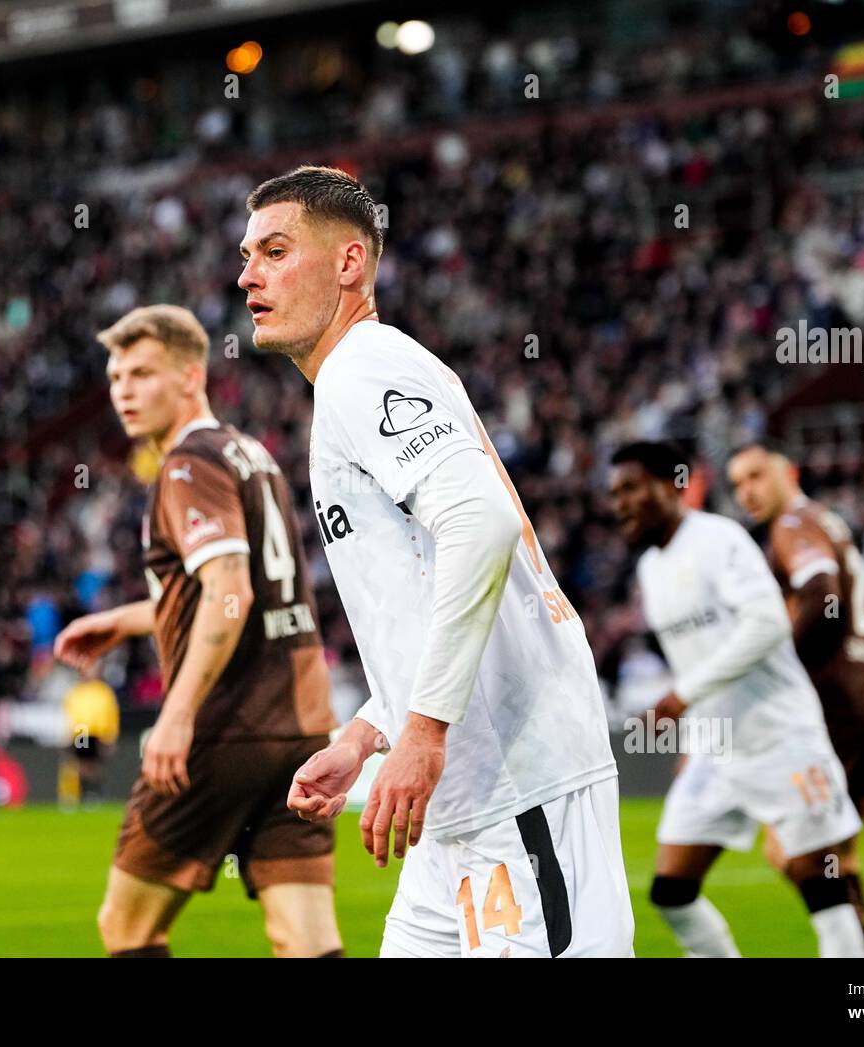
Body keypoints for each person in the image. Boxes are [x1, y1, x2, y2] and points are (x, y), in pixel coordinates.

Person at [238, 164, 633, 957]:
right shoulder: (366, 376)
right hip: (454, 804)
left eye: (276, 251)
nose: (248, 274)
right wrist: (366, 733)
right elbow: (435, 593)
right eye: (248, 256)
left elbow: (482, 526)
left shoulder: (364, 367)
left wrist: (420, 731)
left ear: (351, 262)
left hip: (516, 790)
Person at [54, 304, 341, 957]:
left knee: (127, 927)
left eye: (141, 373)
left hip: (224, 726)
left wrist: (178, 711)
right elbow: (250, 593)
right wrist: (128, 621)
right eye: (116, 376)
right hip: (299, 726)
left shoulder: (185, 465)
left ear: (190, 377)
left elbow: (231, 588)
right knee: (304, 937)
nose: (123, 390)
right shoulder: (250, 455)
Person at [609, 440, 864, 958]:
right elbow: (695, 658)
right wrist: (694, 727)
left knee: (819, 881)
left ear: (673, 484)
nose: (620, 503)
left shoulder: (717, 539)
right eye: (614, 494)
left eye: (632, 488)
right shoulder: (650, 570)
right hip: (716, 750)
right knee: (672, 892)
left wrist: (683, 696)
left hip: (781, 736)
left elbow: (767, 624)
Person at [728, 440, 864, 957]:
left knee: (789, 851)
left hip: (829, 711)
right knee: (837, 857)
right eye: (738, 483)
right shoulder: (829, 523)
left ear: (789, 473)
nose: (747, 492)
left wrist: (777, 673)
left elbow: (824, 597)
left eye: (757, 476)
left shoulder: (792, 526)